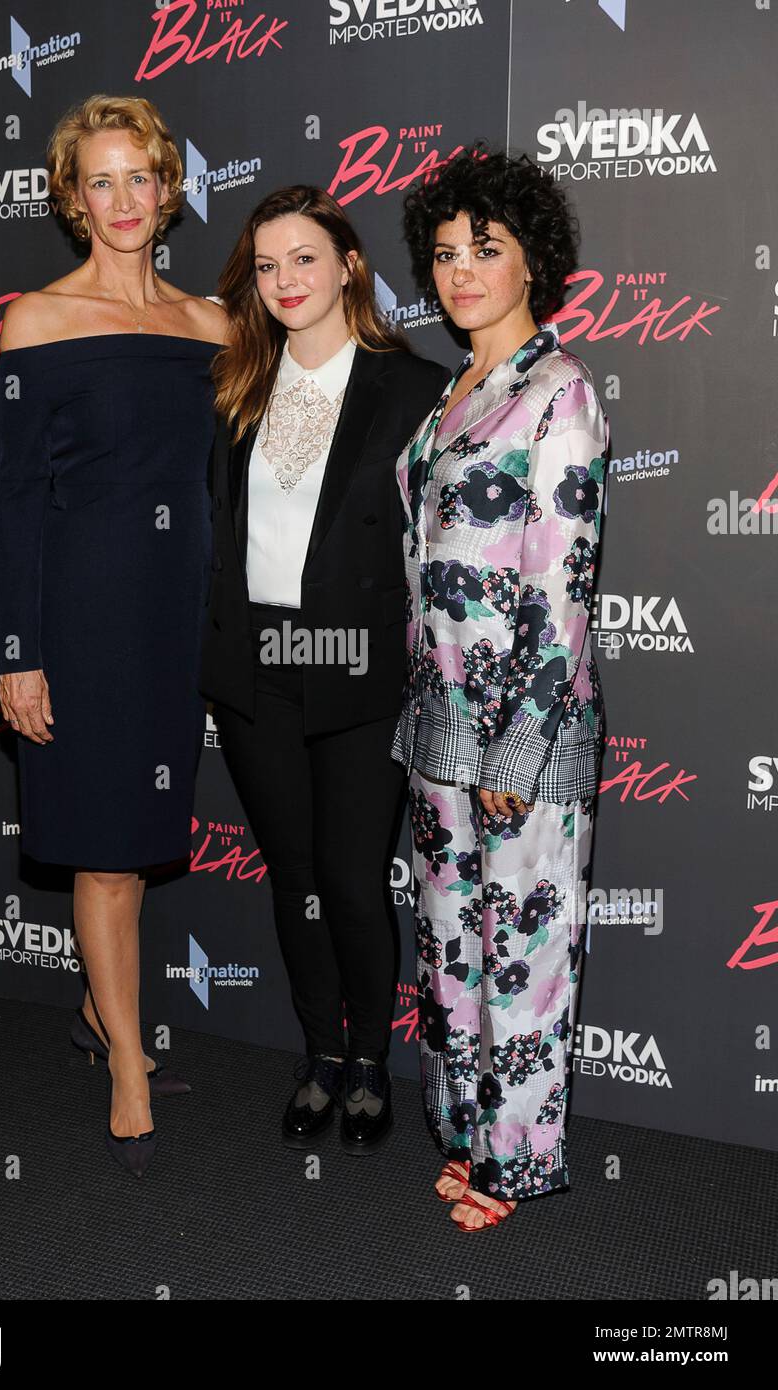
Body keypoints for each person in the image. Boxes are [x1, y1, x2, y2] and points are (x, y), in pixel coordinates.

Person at [0, 94, 229, 1178]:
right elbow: (16, 505)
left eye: (143, 177)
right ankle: (129, 1056)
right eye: (102, 179)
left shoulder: (213, 324)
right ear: (70, 195)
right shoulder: (37, 320)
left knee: (139, 842)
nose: (124, 198)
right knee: (104, 849)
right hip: (77, 621)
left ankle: (100, 1011)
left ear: (169, 189)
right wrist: (15, 648)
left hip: (172, 620)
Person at [198, 186, 450, 1153]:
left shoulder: (413, 388)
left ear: (348, 263)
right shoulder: (235, 384)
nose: (283, 282)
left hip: (359, 668)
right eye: (265, 267)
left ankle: (372, 1066)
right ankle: (319, 1056)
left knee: (351, 879)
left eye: (303, 258)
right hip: (256, 665)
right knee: (292, 875)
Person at [392, 142, 610, 1228]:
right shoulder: (454, 391)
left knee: (520, 952)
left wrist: (514, 752)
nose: (461, 269)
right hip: (438, 723)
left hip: (524, 726)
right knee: (448, 942)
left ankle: (515, 1164)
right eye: (443, 252)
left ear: (534, 259)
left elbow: (562, 587)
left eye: (486, 246)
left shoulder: (559, 392)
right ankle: (470, 1133)